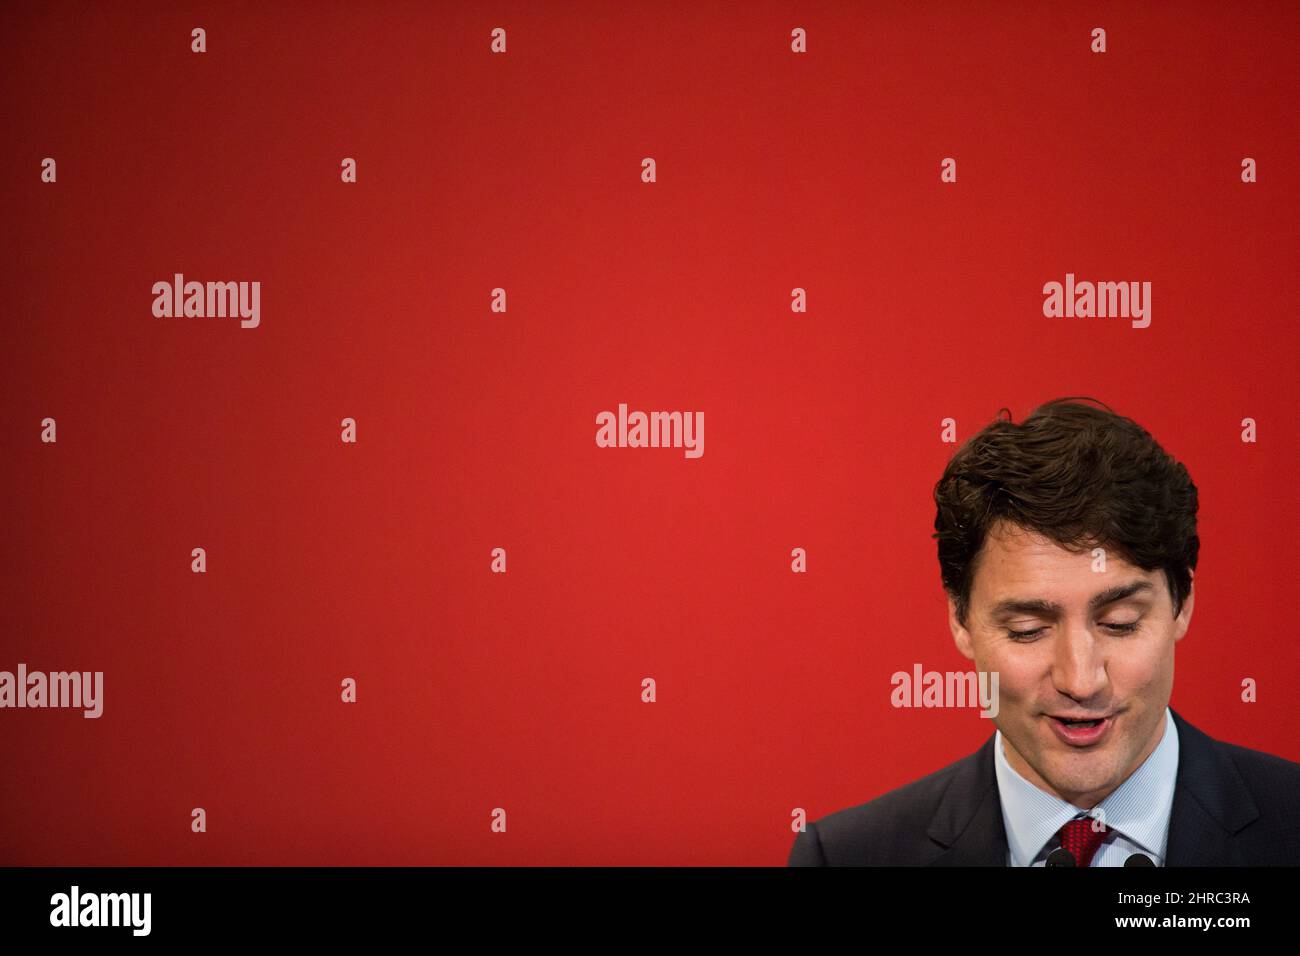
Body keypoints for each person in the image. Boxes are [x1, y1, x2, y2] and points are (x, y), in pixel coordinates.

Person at [789, 397, 1300, 866]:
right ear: (960, 620)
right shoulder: (846, 858)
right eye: (1029, 630)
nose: (1081, 681)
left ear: (1181, 603)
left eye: (1120, 624)